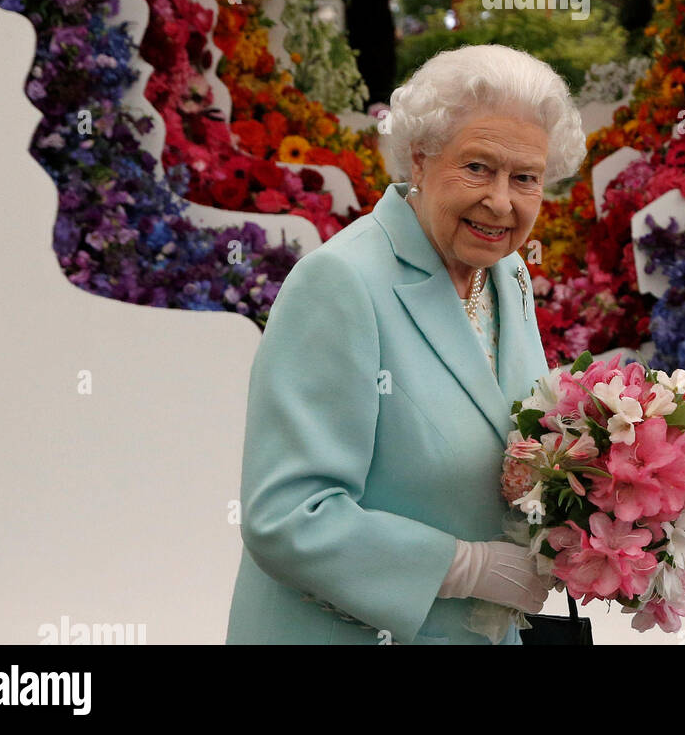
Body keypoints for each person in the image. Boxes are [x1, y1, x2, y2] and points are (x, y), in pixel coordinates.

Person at [225, 43, 587, 645]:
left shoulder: (508, 273)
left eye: (525, 179)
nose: (501, 202)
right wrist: (463, 568)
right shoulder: (341, 283)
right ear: (418, 160)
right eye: (477, 168)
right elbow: (285, 517)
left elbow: (517, 434)